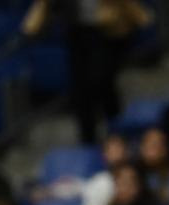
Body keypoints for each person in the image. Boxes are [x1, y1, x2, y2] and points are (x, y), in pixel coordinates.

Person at [22, 0, 151, 145]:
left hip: (106, 31)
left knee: (101, 80)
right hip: (76, 32)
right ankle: (88, 138)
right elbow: (44, 4)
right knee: (81, 88)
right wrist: (32, 26)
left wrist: (141, 17)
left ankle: (116, 129)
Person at [72, 134, 130, 205]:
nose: (116, 153)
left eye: (118, 148)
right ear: (105, 155)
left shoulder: (139, 176)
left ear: (126, 151)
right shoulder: (100, 182)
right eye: (111, 150)